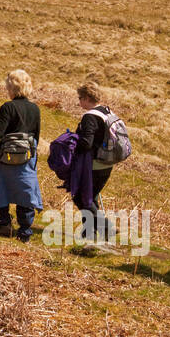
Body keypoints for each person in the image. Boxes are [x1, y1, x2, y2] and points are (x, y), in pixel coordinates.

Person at [0, 69, 43, 239]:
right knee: (26, 190)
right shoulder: (35, 109)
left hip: (3, 158)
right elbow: (36, 136)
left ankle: (4, 223)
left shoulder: (7, 107)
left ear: (12, 88)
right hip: (26, 157)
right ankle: (25, 231)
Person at [71, 81, 117, 242]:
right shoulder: (106, 111)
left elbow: (87, 142)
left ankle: (105, 226)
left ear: (88, 97)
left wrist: (72, 147)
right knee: (92, 196)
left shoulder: (90, 116)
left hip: (94, 164)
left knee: (81, 196)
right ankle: (88, 233)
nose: (79, 102)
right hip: (107, 162)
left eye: (80, 98)